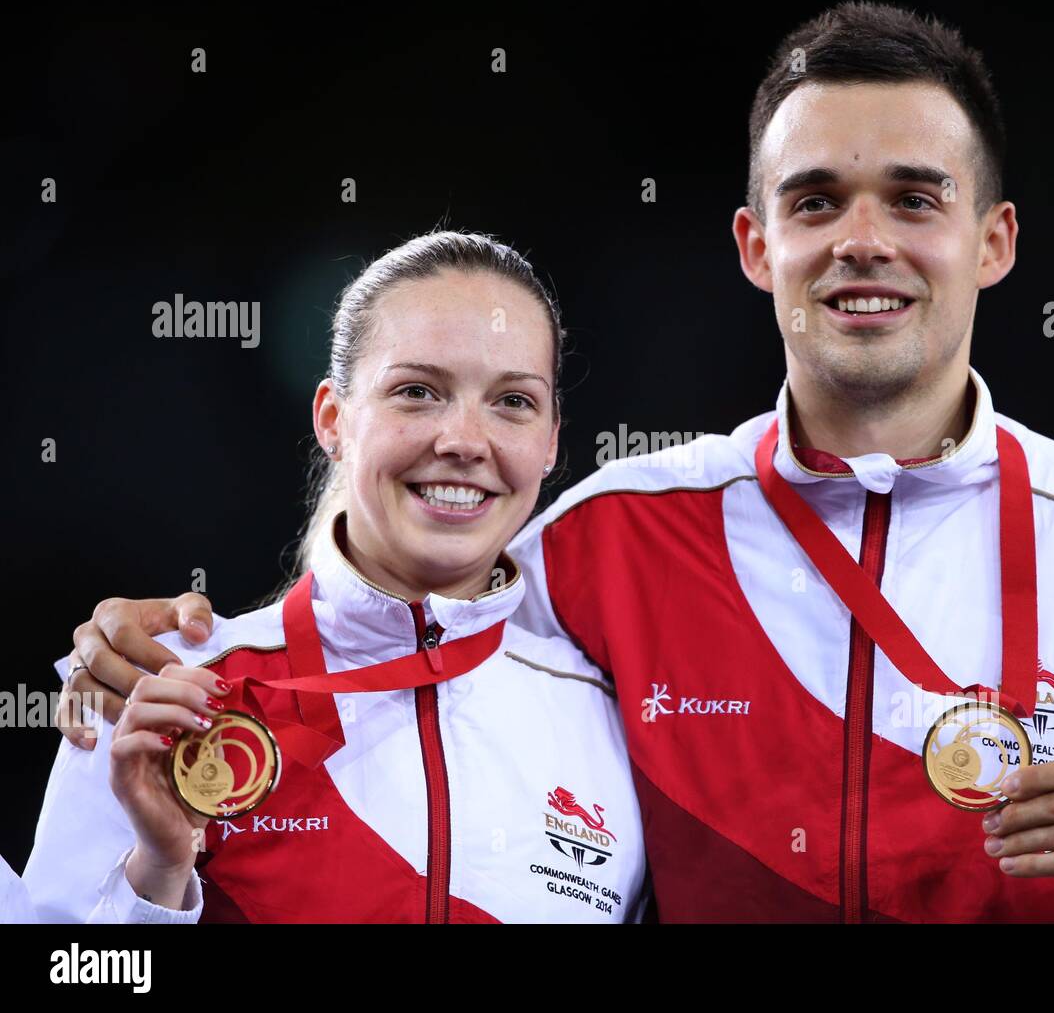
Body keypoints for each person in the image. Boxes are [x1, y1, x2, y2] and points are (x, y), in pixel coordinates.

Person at [51, 1, 1054, 923]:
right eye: (814, 202)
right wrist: (155, 653)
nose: (861, 241)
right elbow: (399, 618)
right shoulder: (601, 539)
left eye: (914, 199)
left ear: (994, 240)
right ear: (756, 245)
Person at [22, 230, 647, 923]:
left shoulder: (611, 719)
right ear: (334, 419)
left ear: (553, 438)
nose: (465, 441)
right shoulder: (165, 693)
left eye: (513, 402)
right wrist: (157, 876)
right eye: (417, 391)